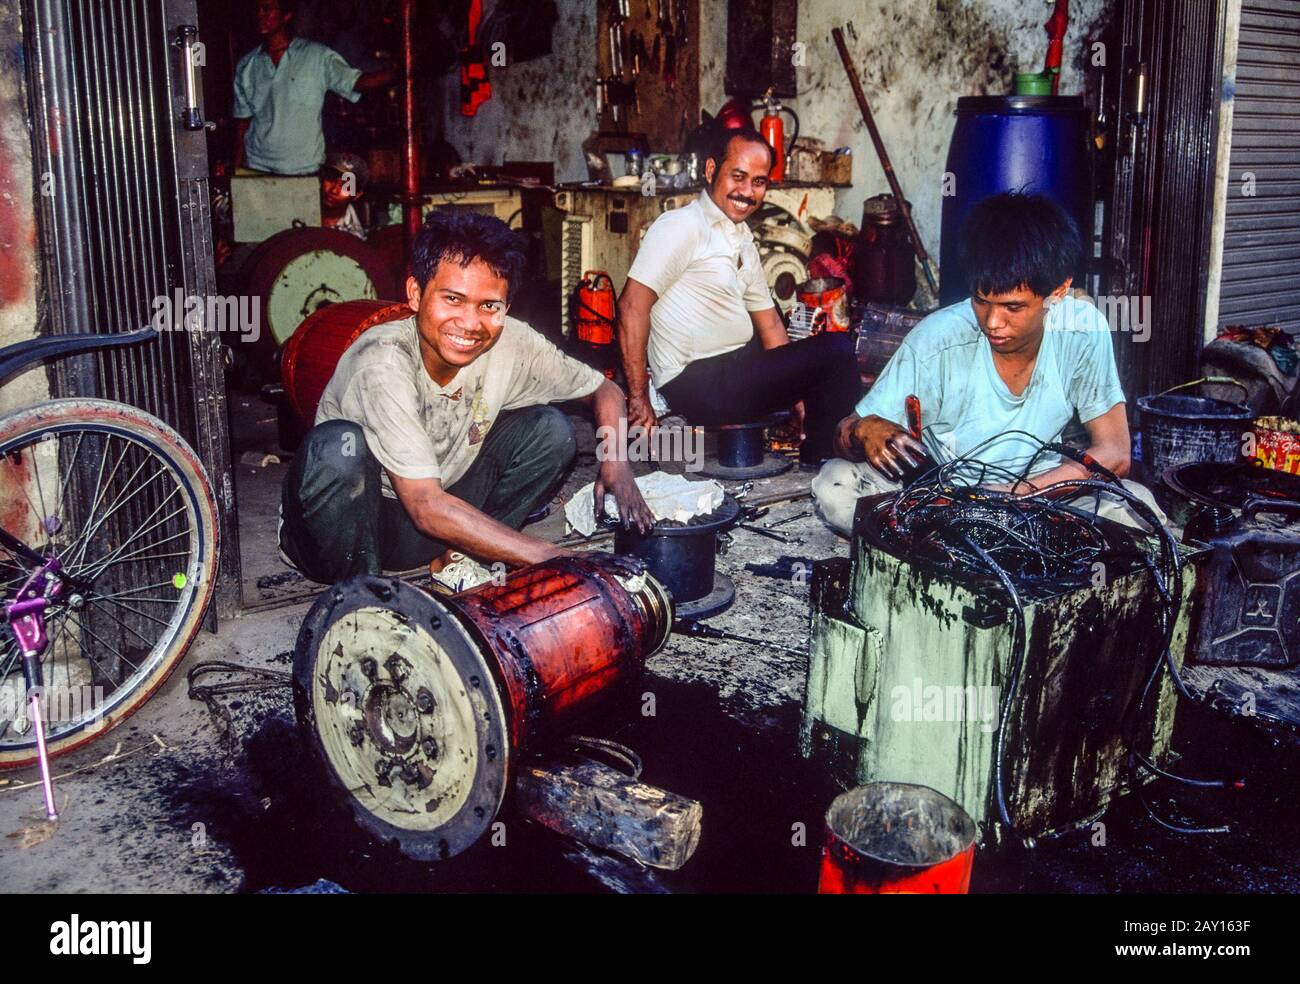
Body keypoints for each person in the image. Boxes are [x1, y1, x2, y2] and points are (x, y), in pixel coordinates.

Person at [279, 210, 654, 584]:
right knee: (338, 447)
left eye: (489, 306)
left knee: (550, 431)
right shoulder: (382, 362)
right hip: (338, 534)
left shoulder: (512, 343)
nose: (471, 323)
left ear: (505, 308)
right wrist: (552, 556)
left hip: (418, 529)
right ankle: (359, 595)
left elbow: (604, 389)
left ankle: (461, 558)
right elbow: (425, 505)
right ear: (415, 294)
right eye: (453, 299)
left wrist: (616, 462)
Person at [812, 191, 1164, 534]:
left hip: (1046, 493)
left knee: (1139, 509)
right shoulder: (938, 339)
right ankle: (951, 539)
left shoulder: (1082, 328)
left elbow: (1115, 452)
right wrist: (863, 429)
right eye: (981, 301)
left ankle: (964, 543)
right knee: (836, 486)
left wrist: (1017, 495)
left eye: (1013, 307)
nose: (993, 322)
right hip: (950, 501)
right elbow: (842, 435)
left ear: (1058, 291)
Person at [616, 126, 863, 468]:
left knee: (813, 342)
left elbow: (770, 324)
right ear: (711, 170)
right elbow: (631, 306)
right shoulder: (680, 227)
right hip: (695, 382)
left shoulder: (741, 239)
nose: (748, 192)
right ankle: (826, 457)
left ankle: (815, 451)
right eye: (738, 177)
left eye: (759, 182)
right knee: (837, 351)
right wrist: (639, 397)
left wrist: (797, 388)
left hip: (733, 371)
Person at [232, 0, 394, 176]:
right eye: (257, 10)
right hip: (257, 168)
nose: (260, 15)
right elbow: (243, 123)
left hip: (304, 170)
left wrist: (400, 71)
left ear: (286, 15)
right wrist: (237, 170)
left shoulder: (316, 56)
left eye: (267, 9)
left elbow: (357, 82)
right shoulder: (247, 65)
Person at [319, 151, 367, 238]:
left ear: (357, 195)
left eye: (346, 186)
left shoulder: (355, 237)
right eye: (331, 179)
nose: (334, 190)